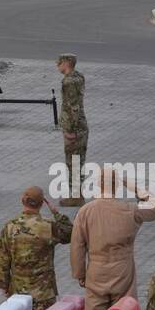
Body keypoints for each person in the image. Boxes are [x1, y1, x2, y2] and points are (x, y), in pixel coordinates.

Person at [70, 166, 155, 310]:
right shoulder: (129, 209)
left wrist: (79, 273)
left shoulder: (85, 212)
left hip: (96, 271)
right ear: (118, 185)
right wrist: (135, 187)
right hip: (123, 270)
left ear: (98, 184)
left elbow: (77, 246)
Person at [0, 185, 73, 310]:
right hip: (44, 293)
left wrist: (4, 285)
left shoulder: (10, 227)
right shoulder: (48, 227)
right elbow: (69, 233)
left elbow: (2, 257)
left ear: (22, 201)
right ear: (42, 204)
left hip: (18, 293)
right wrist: (56, 213)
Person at [56, 54, 88, 204]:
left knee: (73, 161)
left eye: (59, 62)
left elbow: (72, 106)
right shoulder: (78, 77)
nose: (57, 65)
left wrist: (70, 130)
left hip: (75, 127)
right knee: (78, 160)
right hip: (81, 125)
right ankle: (77, 194)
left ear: (67, 63)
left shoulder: (69, 82)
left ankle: (75, 196)